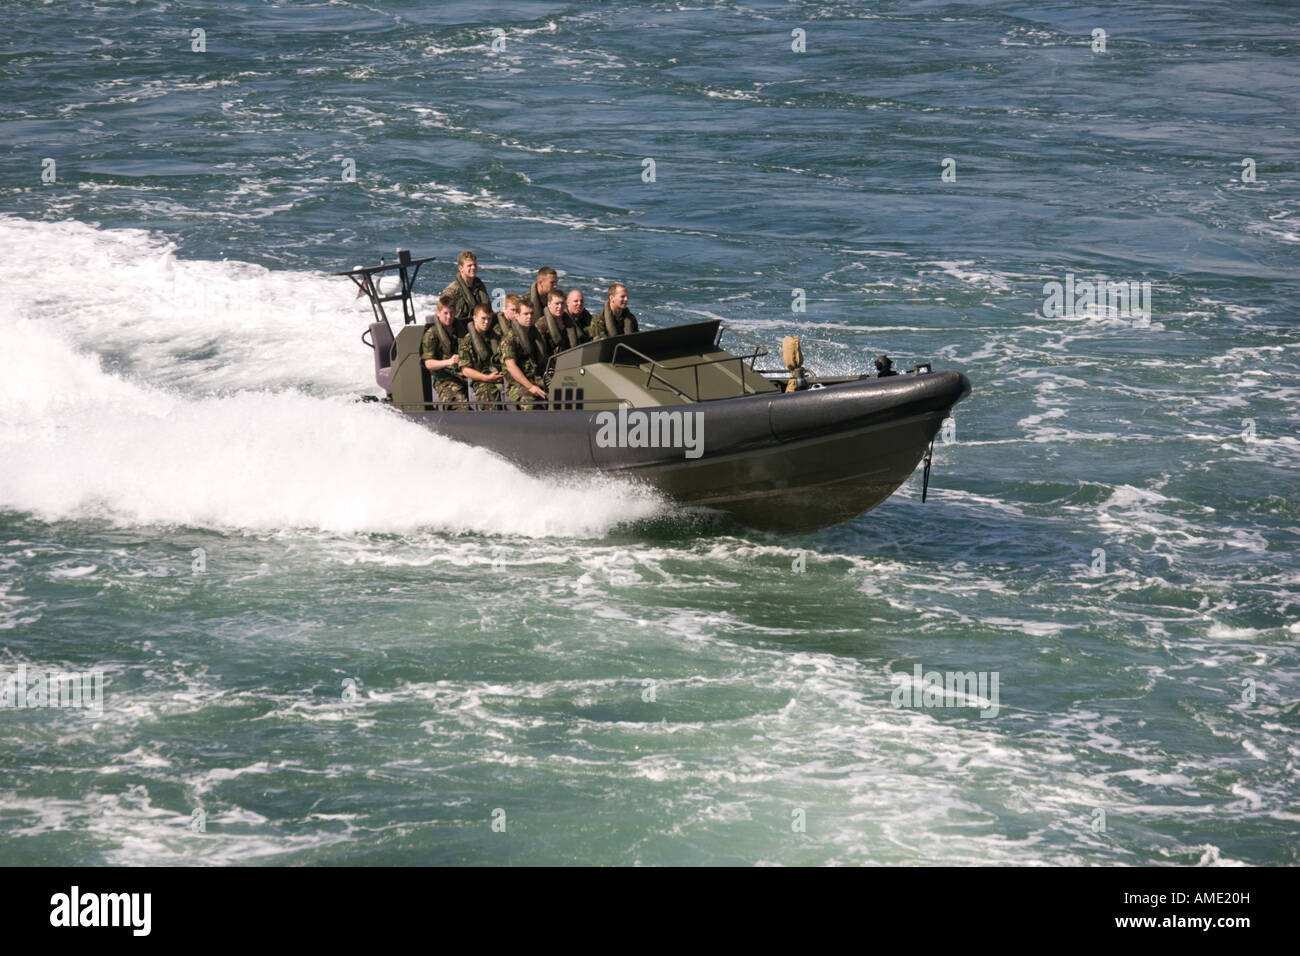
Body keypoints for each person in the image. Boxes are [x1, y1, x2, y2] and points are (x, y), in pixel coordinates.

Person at [500, 301, 549, 409]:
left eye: (531, 314)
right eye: (526, 314)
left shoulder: (535, 334)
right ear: (516, 316)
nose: (529, 317)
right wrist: (531, 387)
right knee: (530, 404)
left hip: (537, 377)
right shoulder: (509, 339)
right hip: (518, 384)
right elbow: (511, 367)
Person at [421, 295, 468, 407]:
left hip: (463, 372)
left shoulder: (460, 329)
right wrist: (448, 362)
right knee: (459, 405)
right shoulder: (431, 334)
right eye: (445, 313)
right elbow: (428, 364)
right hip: (444, 377)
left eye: (452, 313)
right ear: (438, 313)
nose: (449, 317)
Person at [458, 304, 507, 409]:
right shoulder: (466, 342)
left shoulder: (496, 335)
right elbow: (465, 369)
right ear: (474, 318)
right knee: (490, 398)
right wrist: (487, 378)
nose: (486, 322)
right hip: (481, 379)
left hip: (500, 374)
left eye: (489, 319)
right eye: (483, 318)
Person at [440, 250, 492, 335]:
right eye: (469, 265)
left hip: (480, 329)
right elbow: (443, 316)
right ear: (461, 268)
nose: (473, 268)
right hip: (459, 332)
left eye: (475, 265)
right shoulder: (452, 291)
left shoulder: (480, 287)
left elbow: (487, 308)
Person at [538, 289, 580, 353]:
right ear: (549, 304)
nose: (560, 307)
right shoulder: (541, 325)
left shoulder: (569, 322)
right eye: (557, 304)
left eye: (562, 303)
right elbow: (540, 352)